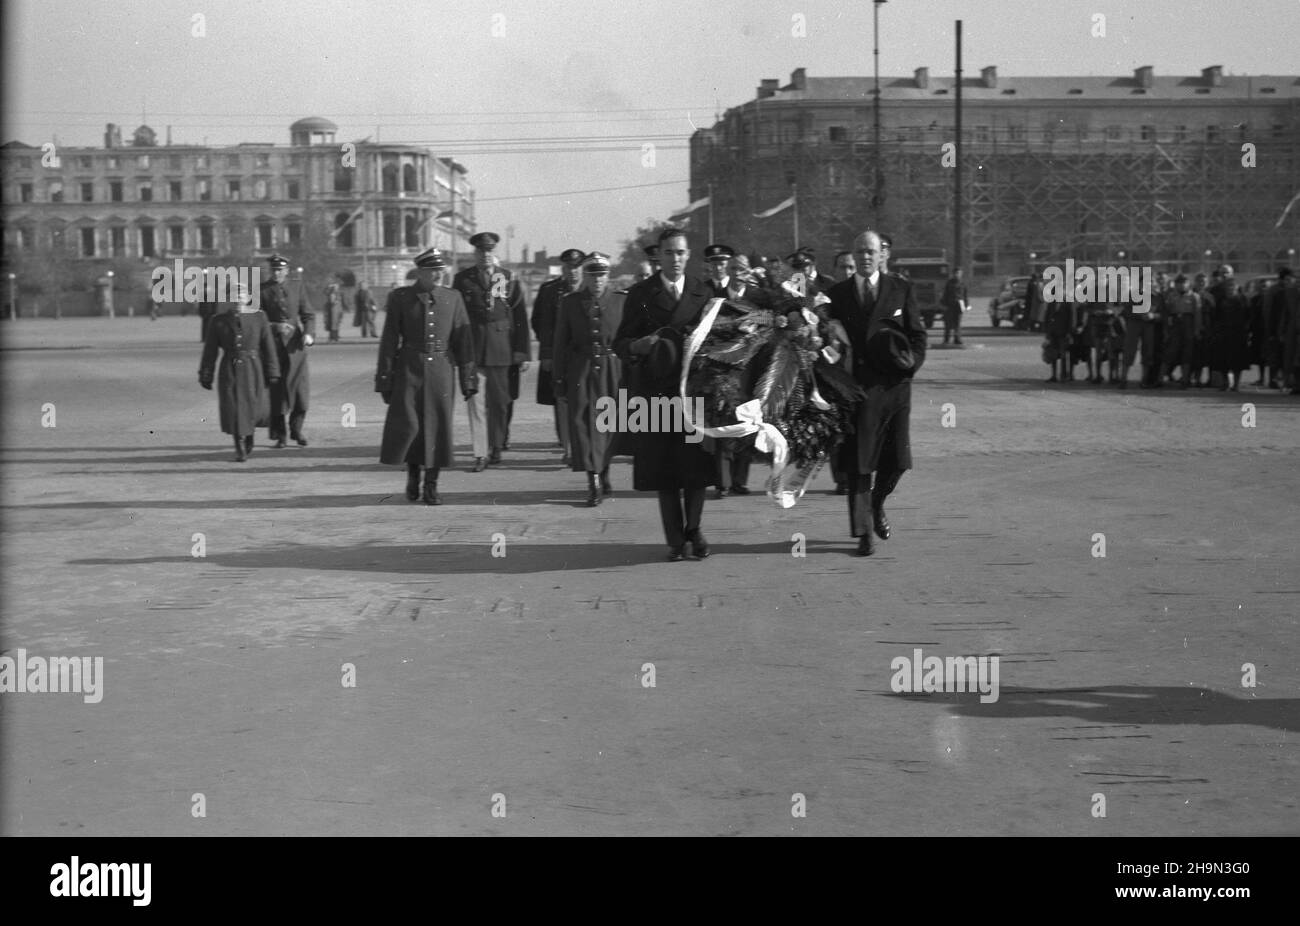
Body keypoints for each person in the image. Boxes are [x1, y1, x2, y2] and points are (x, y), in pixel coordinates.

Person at [613, 227, 717, 562]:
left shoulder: (705, 293)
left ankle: (694, 530)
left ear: (689, 255)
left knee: (697, 466)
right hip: (656, 394)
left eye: (681, 253)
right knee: (665, 469)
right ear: (658, 256)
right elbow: (620, 343)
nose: (675, 259)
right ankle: (674, 539)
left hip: (693, 394)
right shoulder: (641, 294)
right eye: (669, 253)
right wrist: (639, 345)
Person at [826, 230, 927, 556]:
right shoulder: (838, 294)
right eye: (859, 252)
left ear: (882, 254)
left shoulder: (900, 289)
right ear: (853, 256)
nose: (865, 257)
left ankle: (877, 504)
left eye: (871, 251)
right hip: (858, 390)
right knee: (859, 464)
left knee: (897, 460)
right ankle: (863, 532)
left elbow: (918, 335)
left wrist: (910, 366)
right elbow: (828, 339)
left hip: (895, 389)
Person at [375, 248, 477, 505]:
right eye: (432, 270)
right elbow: (389, 340)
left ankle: (431, 484)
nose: (439, 274)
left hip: (442, 369)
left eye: (441, 269)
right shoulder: (401, 297)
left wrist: (468, 378)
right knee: (410, 425)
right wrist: (385, 379)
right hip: (409, 368)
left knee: (438, 426)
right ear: (419, 272)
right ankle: (412, 474)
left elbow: (463, 341)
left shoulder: (453, 298)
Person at [452, 231, 530, 470]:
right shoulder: (462, 280)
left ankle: (496, 445)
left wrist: (522, 352)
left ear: (495, 253)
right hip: (473, 349)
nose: (486, 255)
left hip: (501, 349)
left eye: (490, 251)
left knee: (499, 402)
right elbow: (457, 317)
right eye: (481, 251)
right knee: (475, 401)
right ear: (475, 253)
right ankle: (480, 453)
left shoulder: (508, 278)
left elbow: (519, 317)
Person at [553, 252, 624, 507]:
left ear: (609, 276)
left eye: (601, 274)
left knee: (609, 424)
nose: (597, 280)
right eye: (592, 274)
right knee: (584, 424)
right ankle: (592, 479)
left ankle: (603, 470)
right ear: (584, 276)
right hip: (581, 369)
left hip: (611, 369)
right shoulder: (571, 302)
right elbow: (561, 342)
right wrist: (559, 379)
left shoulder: (620, 301)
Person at [700, 244, 762, 497]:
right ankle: (723, 482)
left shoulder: (758, 296)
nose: (737, 273)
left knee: (747, 421)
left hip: (750, 368)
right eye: (734, 268)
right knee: (724, 421)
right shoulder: (714, 295)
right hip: (723, 368)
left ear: (749, 272)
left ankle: (740, 479)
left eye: (742, 269)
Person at [198, 283, 281, 462]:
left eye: (241, 295)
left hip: (253, 368)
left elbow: (268, 347)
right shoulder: (217, 320)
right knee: (233, 407)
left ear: (248, 298)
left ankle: (249, 435)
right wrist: (206, 373)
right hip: (230, 368)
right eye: (234, 296)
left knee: (253, 406)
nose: (238, 299)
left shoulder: (259, 317)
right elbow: (210, 351)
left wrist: (272, 370)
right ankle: (239, 445)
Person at [532, 248, 584, 465]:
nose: (573, 272)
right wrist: (546, 354)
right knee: (561, 400)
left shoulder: (591, 289)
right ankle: (568, 447)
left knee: (583, 400)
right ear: (563, 268)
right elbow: (540, 323)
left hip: (584, 356)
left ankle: (580, 444)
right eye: (569, 267)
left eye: (577, 267)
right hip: (559, 355)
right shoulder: (550, 291)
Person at [261, 254, 315, 446]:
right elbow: (258, 321)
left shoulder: (297, 286)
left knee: (301, 392)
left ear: (286, 271)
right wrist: (275, 327)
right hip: (273, 348)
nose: (276, 273)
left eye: (280, 270)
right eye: (273, 270)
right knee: (277, 393)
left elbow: (308, 314)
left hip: (295, 348)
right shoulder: (263, 290)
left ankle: (296, 429)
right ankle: (281, 435)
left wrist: (308, 334)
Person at [1208, 276, 1250, 391]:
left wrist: (1247, 330)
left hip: (1238, 333)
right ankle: (1225, 383)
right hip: (1223, 332)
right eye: (1228, 286)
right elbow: (1215, 316)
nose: (1230, 288)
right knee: (1222, 360)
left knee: (1238, 360)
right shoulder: (1221, 300)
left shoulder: (1242, 299)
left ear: (1237, 287)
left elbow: (1248, 316)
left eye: (1232, 286)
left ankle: (1236, 384)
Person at [1162, 274, 1202, 387]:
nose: (1181, 285)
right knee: (1170, 352)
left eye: (1184, 282)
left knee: (1187, 353)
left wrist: (1197, 330)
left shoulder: (1194, 296)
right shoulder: (1171, 296)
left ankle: (1185, 379)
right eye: (1179, 283)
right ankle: (1160, 379)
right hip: (1175, 326)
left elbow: (1197, 315)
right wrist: (1166, 330)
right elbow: (1167, 313)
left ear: (1188, 284)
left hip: (1188, 325)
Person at [940, 267, 967, 346]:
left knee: (957, 324)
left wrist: (966, 305)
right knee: (948, 324)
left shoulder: (963, 283)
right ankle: (946, 340)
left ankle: (957, 339)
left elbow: (965, 295)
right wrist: (943, 304)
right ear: (953, 274)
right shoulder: (949, 283)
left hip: (959, 306)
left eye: (959, 273)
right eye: (956, 273)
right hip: (950, 305)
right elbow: (945, 294)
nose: (957, 275)